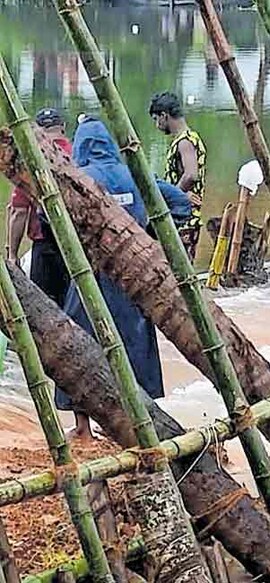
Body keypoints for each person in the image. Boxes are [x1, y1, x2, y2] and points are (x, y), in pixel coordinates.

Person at [57, 118, 163, 440]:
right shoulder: (134, 174)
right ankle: (138, 422)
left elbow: (54, 219)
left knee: (77, 345)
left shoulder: (80, 178)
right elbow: (177, 202)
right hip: (132, 277)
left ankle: (83, 428)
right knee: (134, 343)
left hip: (92, 275)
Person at [7, 108, 72, 308]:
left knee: (44, 307)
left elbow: (19, 211)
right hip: (76, 244)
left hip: (45, 246)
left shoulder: (32, 159)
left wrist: (12, 255)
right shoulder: (77, 153)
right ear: (64, 128)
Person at [149, 91, 206, 260]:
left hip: (183, 218)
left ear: (164, 116)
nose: (156, 124)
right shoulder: (193, 137)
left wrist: (175, 194)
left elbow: (191, 175)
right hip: (189, 216)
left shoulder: (184, 141)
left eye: (155, 119)